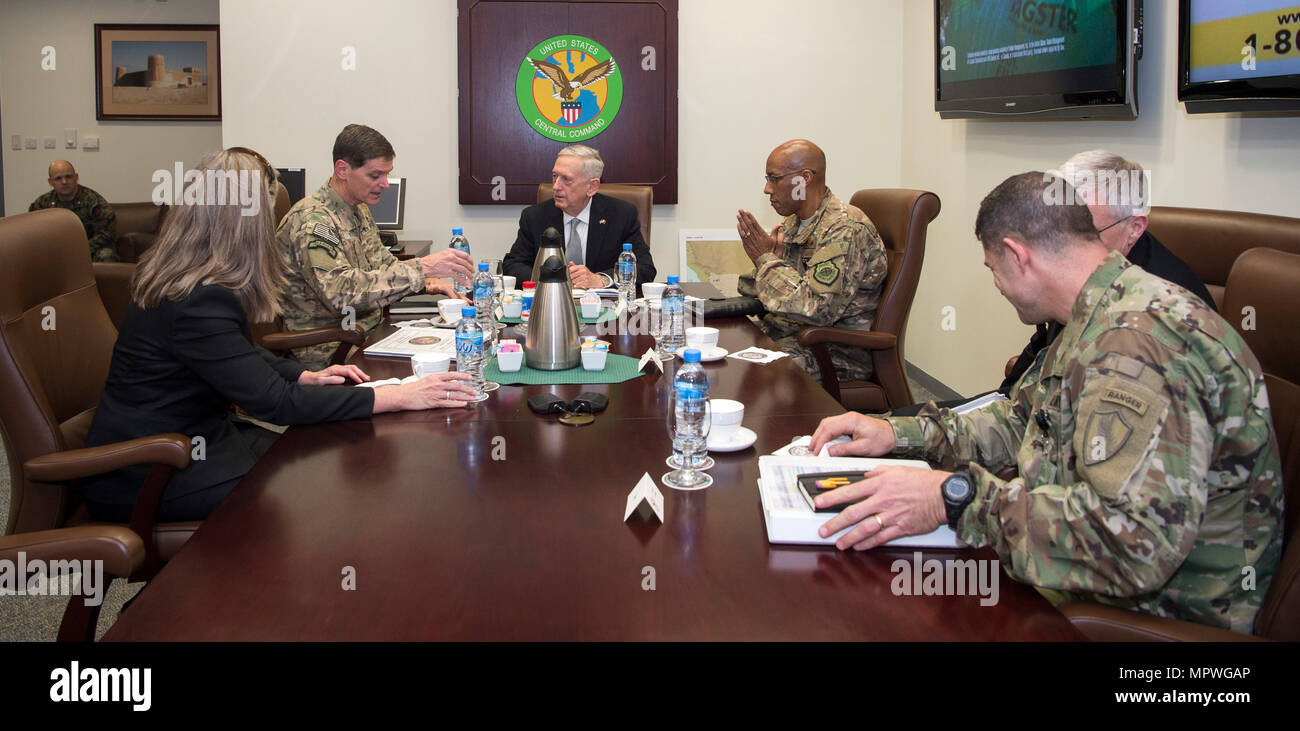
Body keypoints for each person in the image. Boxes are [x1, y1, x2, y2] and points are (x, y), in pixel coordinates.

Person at [805, 172, 1283, 634]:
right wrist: (898, 434)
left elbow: (1129, 544)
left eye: (993, 269)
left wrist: (952, 500)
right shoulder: (1097, 311)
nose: (996, 286)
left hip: (1150, 616)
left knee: (883, 602)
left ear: (1017, 255)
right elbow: (1024, 421)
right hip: (1080, 574)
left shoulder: (1138, 346)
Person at [82, 149, 477, 523]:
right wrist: (399, 395)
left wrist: (303, 376)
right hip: (147, 468)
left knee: (312, 455)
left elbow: (242, 352)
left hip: (191, 439)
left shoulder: (185, 276)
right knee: (304, 488)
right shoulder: (197, 299)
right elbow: (275, 404)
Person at [894, 150, 1219, 416]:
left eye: (1085, 229)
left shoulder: (1149, 332)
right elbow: (1029, 384)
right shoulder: (1087, 283)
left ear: (1134, 228)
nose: (1059, 245)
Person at [277, 124, 474, 369]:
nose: (385, 184)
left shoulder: (357, 209)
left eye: (387, 174)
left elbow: (384, 266)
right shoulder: (314, 221)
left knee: (461, 351)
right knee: (442, 369)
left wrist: (427, 283)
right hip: (330, 352)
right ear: (342, 170)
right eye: (375, 175)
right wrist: (423, 268)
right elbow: (341, 295)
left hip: (366, 334)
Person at [736, 139, 887, 383]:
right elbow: (752, 289)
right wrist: (770, 263)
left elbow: (817, 309)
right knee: (724, 352)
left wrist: (765, 261)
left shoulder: (844, 229)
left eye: (774, 179)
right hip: (792, 334)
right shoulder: (795, 224)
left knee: (754, 375)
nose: (767, 189)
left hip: (834, 351)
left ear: (804, 178)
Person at [502, 144, 655, 288]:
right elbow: (512, 265)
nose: (555, 186)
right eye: (555, 176)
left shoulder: (621, 215)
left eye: (566, 179)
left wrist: (600, 279)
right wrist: (550, 277)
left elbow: (645, 268)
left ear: (592, 186)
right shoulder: (535, 216)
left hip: (603, 308)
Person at [28, 160, 118, 262]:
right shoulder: (42, 204)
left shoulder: (93, 201)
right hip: (55, 251)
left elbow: (106, 234)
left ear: (76, 177)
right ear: (50, 182)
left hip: (90, 250)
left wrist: (77, 251)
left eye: (68, 177)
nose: (64, 182)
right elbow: (31, 231)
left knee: (106, 255)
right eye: (58, 178)